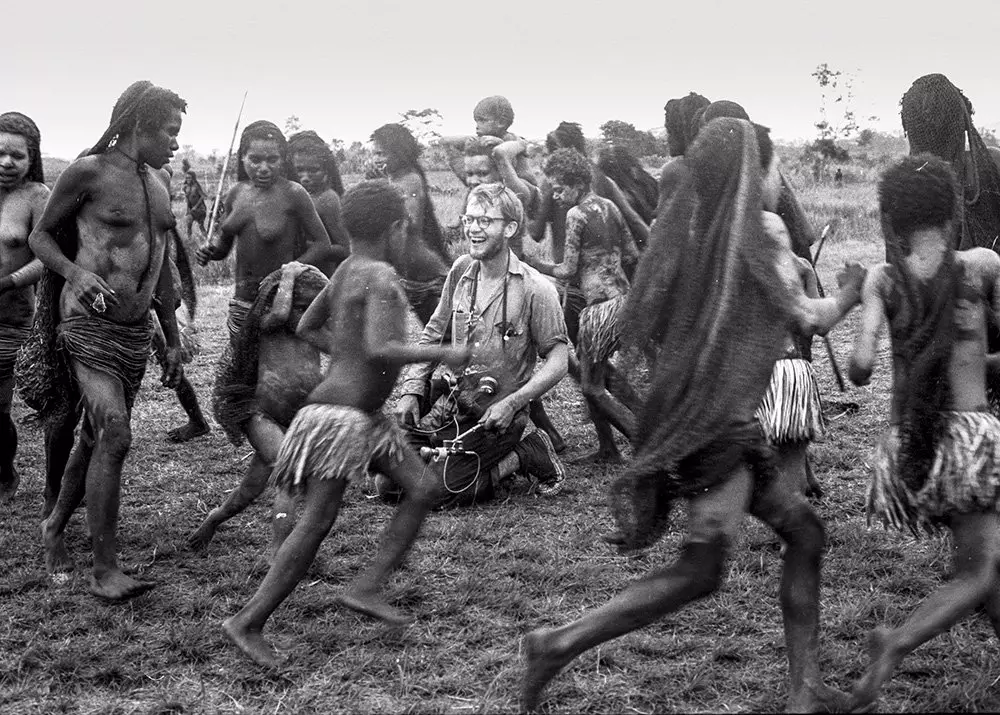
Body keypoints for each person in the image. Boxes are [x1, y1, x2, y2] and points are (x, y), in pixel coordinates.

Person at [521, 118, 866, 713]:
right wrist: (853, 292)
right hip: (717, 433)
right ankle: (556, 643)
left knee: (806, 534)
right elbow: (808, 319)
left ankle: (805, 688)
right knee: (700, 570)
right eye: (772, 167)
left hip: (715, 423)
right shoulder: (759, 234)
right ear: (751, 173)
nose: (776, 179)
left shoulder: (688, 232)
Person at [222, 179, 470, 667]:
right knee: (316, 520)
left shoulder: (347, 269)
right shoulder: (378, 275)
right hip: (341, 420)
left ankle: (367, 587)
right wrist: (447, 350)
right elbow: (382, 348)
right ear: (398, 227)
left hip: (359, 416)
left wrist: (347, 356)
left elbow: (307, 326)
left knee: (422, 489)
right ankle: (246, 621)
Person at [846, 155, 1000, 711]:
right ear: (955, 211)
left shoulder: (883, 280)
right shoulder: (981, 266)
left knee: (988, 561)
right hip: (970, 442)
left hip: (913, 443)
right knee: (978, 570)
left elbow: (861, 367)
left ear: (888, 222)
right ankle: (897, 641)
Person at [26, 80, 186, 600]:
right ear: (140, 125)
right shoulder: (88, 172)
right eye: (169, 131)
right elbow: (40, 236)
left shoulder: (159, 181)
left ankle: (54, 526)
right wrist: (74, 273)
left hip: (134, 330)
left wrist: (173, 338)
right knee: (114, 431)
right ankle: (105, 569)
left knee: (96, 436)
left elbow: (160, 263)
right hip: (86, 324)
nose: (176, 144)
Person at [385, 183, 570, 508]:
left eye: (485, 221)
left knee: (439, 493)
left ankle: (527, 453)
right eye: (469, 219)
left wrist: (513, 403)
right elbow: (435, 334)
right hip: (451, 404)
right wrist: (412, 390)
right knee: (387, 483)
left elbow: (559, 361)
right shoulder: (460, 271)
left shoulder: (535, 290)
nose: (473, 229)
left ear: (510, 227)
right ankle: (448, 458)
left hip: (497, 418)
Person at [188, 262, 329, 555]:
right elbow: (279, 313)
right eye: (299, 306)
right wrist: (289, 274)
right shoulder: (268, 323)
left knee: (250, 490)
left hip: (295, 419)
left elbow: (339, 341)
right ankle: (277, 554)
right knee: (287, 473)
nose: (303, 313)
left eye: (310, 307)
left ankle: (215, 518)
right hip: (260, 413)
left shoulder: (311, 331)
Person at [527, 148, 638, 462]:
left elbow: (566, 270)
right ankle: (609, 447)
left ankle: (644, 442)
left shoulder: (577, 215)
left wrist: (535, 264)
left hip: (598, 310)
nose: (558, 197)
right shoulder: (611, 207)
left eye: (560, 189)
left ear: (577, 183)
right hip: (622, 300)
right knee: (603, 374)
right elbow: (630, 253)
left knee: (592, 386)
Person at [195, 120, 336, 342]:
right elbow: (224, 247)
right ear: (242, 158)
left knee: (277, 374)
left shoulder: (294, 193)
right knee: (242, 371)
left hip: (279, 304)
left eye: (272, 160)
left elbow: (322, 245)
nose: (263, 168)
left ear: (283, 160)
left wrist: (289, 272)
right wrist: (210, 252)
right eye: (255, 160)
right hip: (242, 303)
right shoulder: (235, 194)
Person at [0, 112, 49, 503]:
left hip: (12, 320)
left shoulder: (36, 198)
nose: (6, 163)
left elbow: (46, 256)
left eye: (17, 155)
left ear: (31, 158)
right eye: (0, 153)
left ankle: (5, 471)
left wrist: (8, 282)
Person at [900, 73, 1000, 252]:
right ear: (963, 121)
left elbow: (896, 267)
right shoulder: (991, 162)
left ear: (911, 129)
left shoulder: (902, 185)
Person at [369, 123, 451, 324]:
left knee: (439, 326)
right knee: (434, 325)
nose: (377, 159)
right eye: (375, 154)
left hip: (421, 264)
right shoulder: (394, 178)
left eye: (382, 154)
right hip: (413, 265)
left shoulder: (409, 179)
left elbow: (412, 223)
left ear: (399, 153)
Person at [441, 95, 537, 189]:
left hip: (522, 186)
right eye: (476, 121)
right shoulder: (482, 139)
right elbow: (445, 141)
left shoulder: (511, 138)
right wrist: (470, 139)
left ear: (501, 123)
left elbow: (525, 151)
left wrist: (501, 143)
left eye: (482, 121)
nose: (477, 126)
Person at [287, 130, 350, 270]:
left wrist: (306, 245)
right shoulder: (293, 194)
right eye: (299, 170)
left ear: (326, 171)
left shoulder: (327, 199)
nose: (305, 177)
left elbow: (345, 249)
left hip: (319, 277)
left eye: (313, 170)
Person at [180, 158, 208, 240]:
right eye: (187, 178)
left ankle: (206, 239)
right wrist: (188, 210)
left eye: (190, 178)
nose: (188, 179)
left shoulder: (196, 186)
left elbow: (203, 196)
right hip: (192, 209)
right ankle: (190, 240)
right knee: (189, 222)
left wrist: (196, 206)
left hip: (201, 209)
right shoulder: (186, 188)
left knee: (201, 226)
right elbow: (188, 200)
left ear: (193, 178)